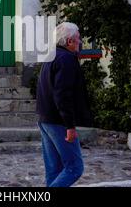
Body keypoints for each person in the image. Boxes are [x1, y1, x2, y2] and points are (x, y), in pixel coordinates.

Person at [36, 21, 93, 187]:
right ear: (69, 41)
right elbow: (63, 94)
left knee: (54, 170)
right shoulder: (67, 59)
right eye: (78, 38)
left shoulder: (51, 56)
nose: (80, 42)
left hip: (44, 119)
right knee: (75, 168)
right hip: (58, 122)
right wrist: (70, 125)